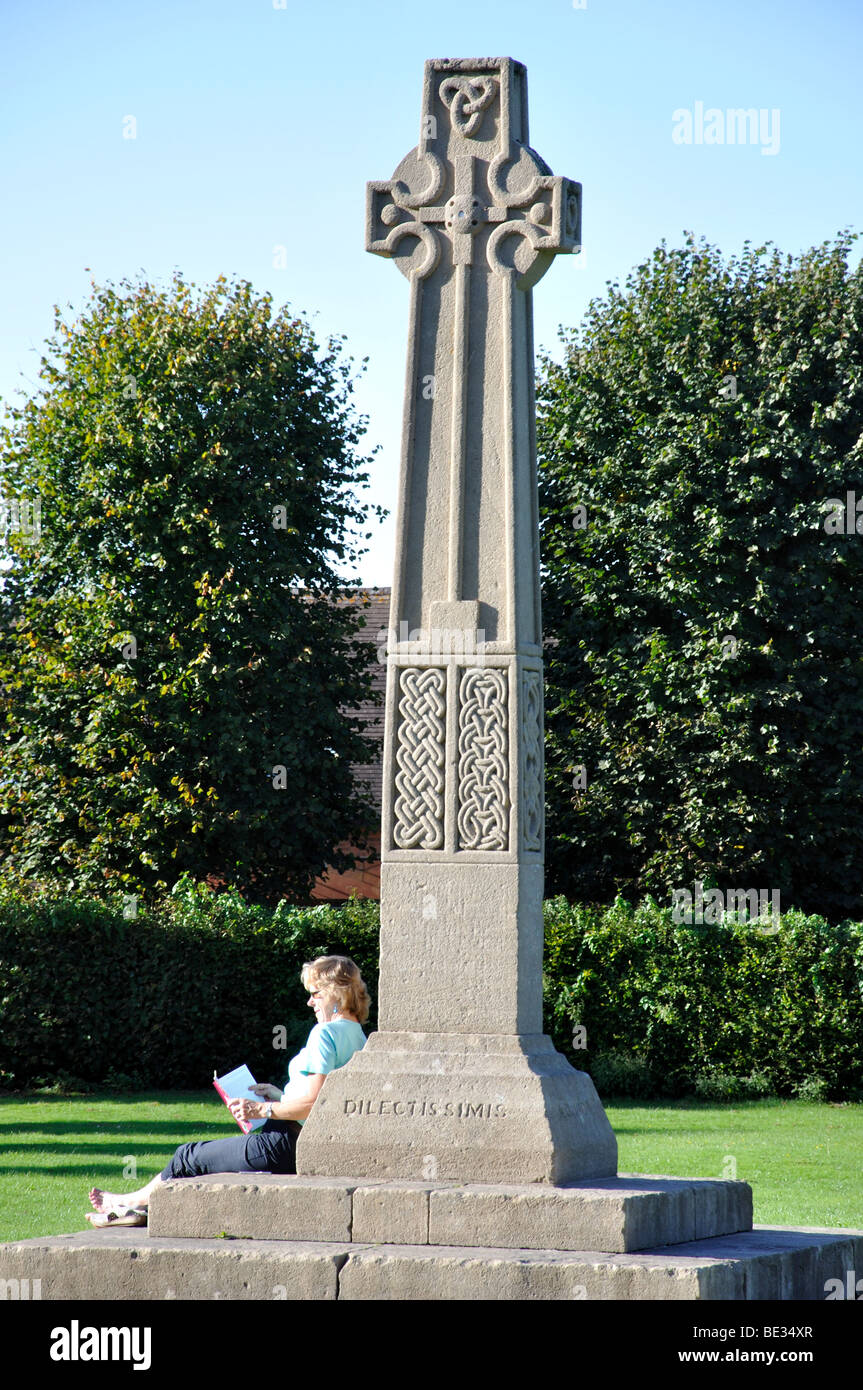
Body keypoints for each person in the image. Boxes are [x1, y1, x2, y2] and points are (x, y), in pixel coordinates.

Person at [86, 955, 369, 1227]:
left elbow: (313, 1104)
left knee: (188, 1156)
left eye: (315, 993)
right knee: (194, 1158)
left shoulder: (324, 1034)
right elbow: (327, 1101)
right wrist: (279, 1096)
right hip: (303, 1143)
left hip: (282, 1144)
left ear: (337, 993)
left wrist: (261, 1109)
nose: (310, 1001)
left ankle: (129, 1205)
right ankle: (135, 1208)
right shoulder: (359, 1035)